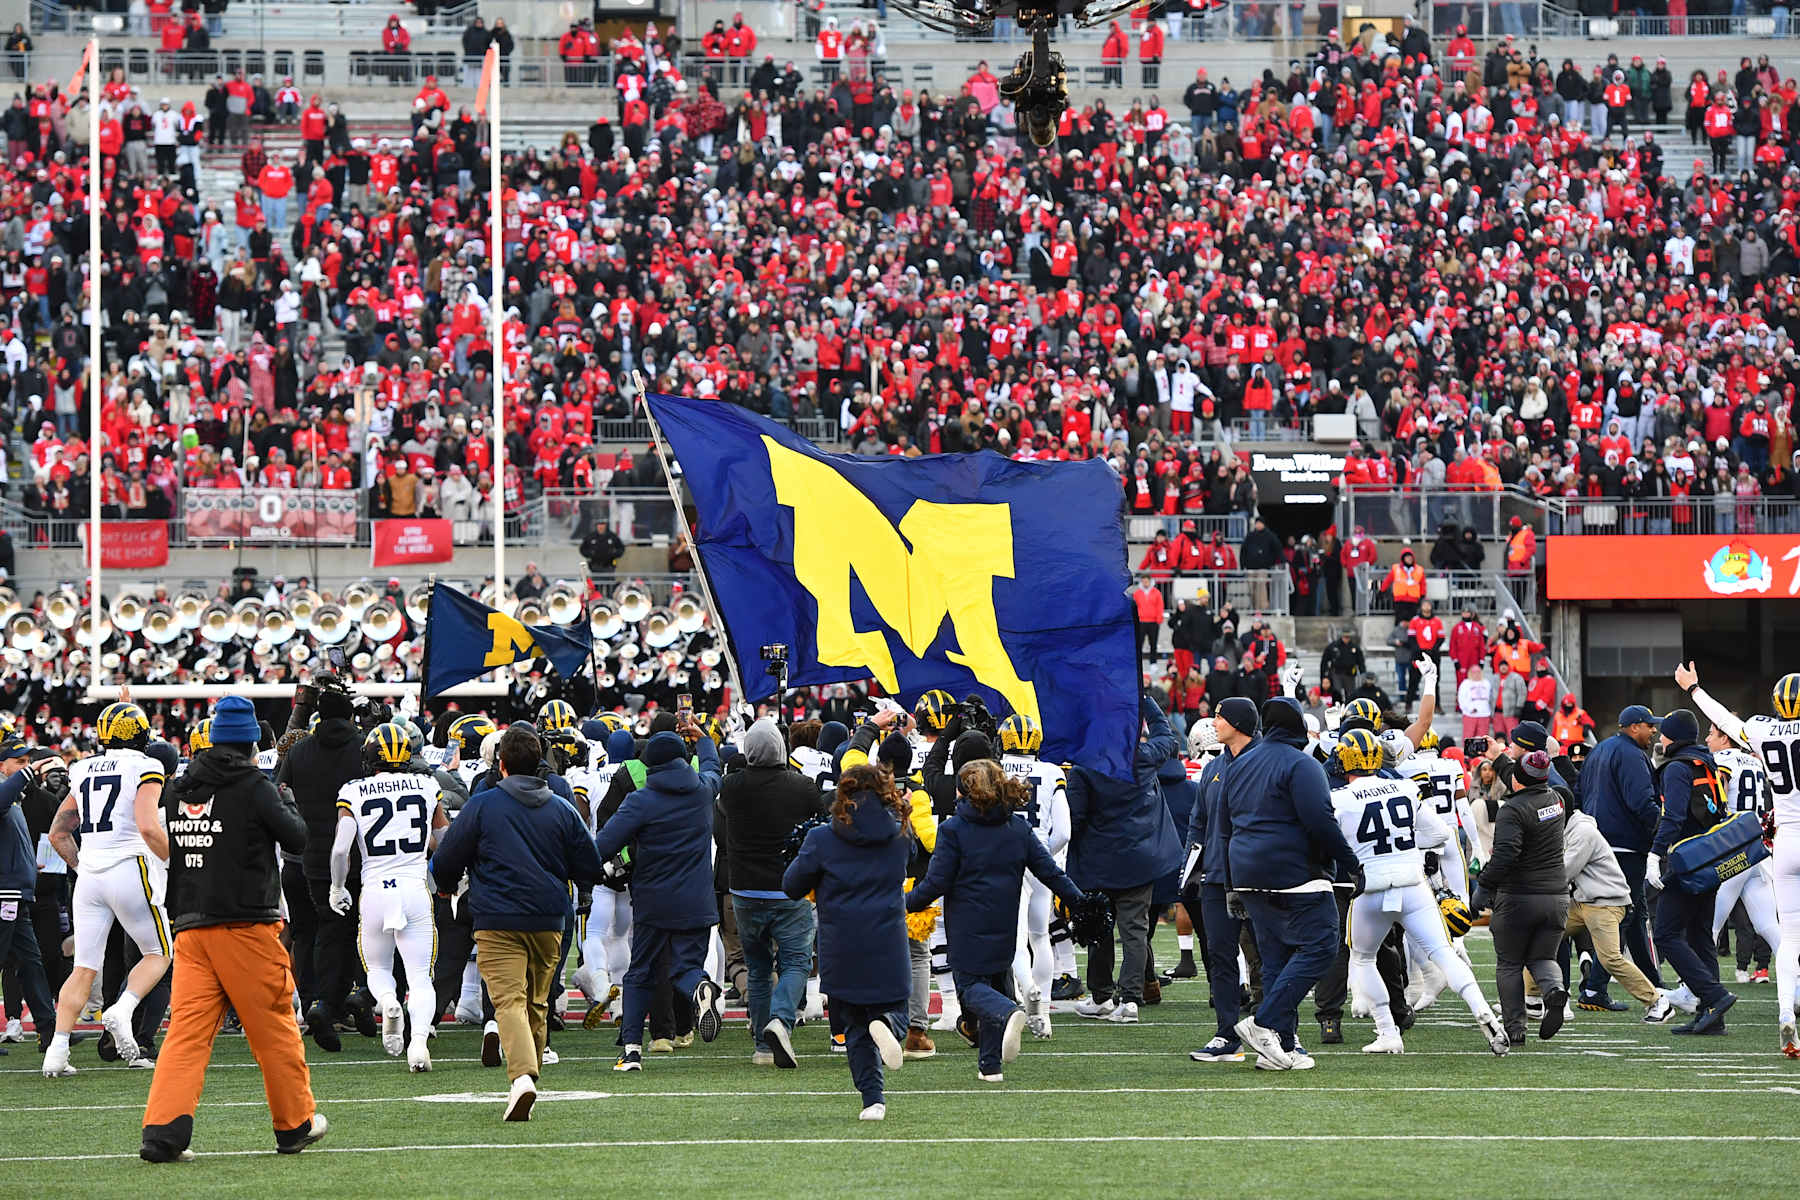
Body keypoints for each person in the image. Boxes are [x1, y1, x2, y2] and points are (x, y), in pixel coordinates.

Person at [141, 695, 324, 1162]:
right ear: (250, 743)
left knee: (185, 1034)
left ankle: (162, 1131)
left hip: (191, 926)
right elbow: (297, 838)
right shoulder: (254, 785)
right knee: (274, 1029)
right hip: (245, 926)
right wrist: (284, 797)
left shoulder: (180, 789)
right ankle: (294, 1123)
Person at [430, 725, 607, 1120]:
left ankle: (523, 1076)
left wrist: (446, 887)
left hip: (498, 917)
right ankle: (531, 1070)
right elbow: (590, 863)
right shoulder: (561, 807)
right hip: (548, 917)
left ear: (502, 765)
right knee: (537, 1002)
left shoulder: (484, 804)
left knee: (508, 1000)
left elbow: (446, 859)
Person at [906, 757, 1088, 1083]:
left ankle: (1008, 1012)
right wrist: (1081, 901)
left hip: (966, 924)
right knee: (992, 981)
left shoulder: (953, 830)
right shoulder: (1017, 828)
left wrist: (903, 904)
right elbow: (1049, 871)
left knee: (971, 988)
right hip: (1006, 921)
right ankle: (990, 1066)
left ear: (964, 793)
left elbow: (936, 883)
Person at [1327, 729, 1508, 1055]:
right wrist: (1407, 848)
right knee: (1443, 952)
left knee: (1363, 958)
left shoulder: (1338, 799)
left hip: (1371, 888)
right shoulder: (1404, 788)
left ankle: (1387, 1031)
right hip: (1412, 883)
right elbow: (1439, 833)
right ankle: (1482, 1009)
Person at [1218, 695, 1363, 1071]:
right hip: (1294, 873)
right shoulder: (1303, 765)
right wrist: (1350, 864)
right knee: (1321, 946)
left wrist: (1233, 883)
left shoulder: (1238, 764)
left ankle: (1282, 1045)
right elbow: (1320, 822)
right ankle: (1264, 1022)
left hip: (1247, 873)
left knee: (1277, 960)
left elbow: (1224, 828)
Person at [42, 702, 170, 1075]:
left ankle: (57, 1051)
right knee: (159, 952)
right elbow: (147, 826)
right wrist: (170, 861)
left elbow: (58, 832)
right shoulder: (147, 765)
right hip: (130, 866)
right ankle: (123, 1009)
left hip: (91, 875)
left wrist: (84, 866)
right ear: (142, 734)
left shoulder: (81, 768)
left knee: (83, 967)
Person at [1678, 665, 1800, 1053]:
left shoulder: (1762, 731)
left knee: (1788, 937)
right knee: (1774, 928)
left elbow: (1723, 718)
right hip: (1770, 845)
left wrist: (1694, 688)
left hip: (1780, 843)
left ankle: (1785, 1015)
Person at [593, 714, 725, 1073]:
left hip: (653, 899)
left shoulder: (642, 800)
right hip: (698, 900)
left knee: (640, 973)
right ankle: (701, 988)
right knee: (686, 969)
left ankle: (632, 1050)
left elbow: (603, 844)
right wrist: (703, 738)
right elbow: (714, 766)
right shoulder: (701, 790)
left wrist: (574, 864)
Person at [783, 758, 911, 1119]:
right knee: (895, 1007)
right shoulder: (901, 833)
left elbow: (791, 886)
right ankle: (887, 1026)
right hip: (887, 937)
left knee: (853, 1025)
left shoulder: (821, 838)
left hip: (841, 944)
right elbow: (914, 860)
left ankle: (873, 1100)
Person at [328, 723, 448, 1073]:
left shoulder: (354, 791)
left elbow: (340, 848)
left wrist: (337, 886)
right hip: (414, 887)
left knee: (378, 969)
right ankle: (420, 1043)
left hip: (376, 889)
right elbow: (443, 838)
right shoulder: (427, 785)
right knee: (421, 976)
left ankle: (387, 1002)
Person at [1064, 694, 1183, 1023]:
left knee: (1099, 929)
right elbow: (1167, 736)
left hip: (1099, 861)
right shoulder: (1141, 756)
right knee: (1135, 931)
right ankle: (1129, 1000)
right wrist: (1144, 700)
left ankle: (1102, 996)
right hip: (1139, 858)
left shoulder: (1085, 766)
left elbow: (1075, 819)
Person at [715, 718, 825, 1066]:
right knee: (795, 961)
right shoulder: (803, 786)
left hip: (744, 890)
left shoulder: (732, 786)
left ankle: (763, 1045)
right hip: (788, 888)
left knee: (758, 966)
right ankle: (780, 1019)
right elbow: (822, 822)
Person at [277, 681, 373, 1051]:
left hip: (308, 855)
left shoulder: (299, 750)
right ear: (350, 714)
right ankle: (333, 1004)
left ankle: (316, 999)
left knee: (307, 934)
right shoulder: (363, 747)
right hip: (355, 857)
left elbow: (280, 790)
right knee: (344, 934)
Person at [1646, 708, 1736, 1035]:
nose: (1659, 737)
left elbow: (1673, 817)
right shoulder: (1706, 762)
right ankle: (1712, 1016)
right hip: (1710, 858)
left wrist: (1655, 855)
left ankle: (1714, 995)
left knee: (1667, 934)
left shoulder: (1677, 767)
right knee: (1700, 936)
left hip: (1686, 860)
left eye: (1664, 733)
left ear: (1676, 736)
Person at [1472, 748, 1569, 1046]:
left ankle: (1516, 1028)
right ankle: (1553, 991)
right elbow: (1529, 779)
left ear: (1518, 779)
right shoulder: (1556, 800)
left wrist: (1483, 887)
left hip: (1519, 896)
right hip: (1556, 896)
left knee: (1510, 963)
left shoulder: (1513, 809)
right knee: (1542, 957)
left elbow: (1506, 855)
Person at [1573, 705, 1666, 1011]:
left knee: (1635, 915)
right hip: (1624, 847)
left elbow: (1579, 794)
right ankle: (1594, 987)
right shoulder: (1629, 754)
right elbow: (1642, 801)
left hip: (1598, 844)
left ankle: (1653, 981)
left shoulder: (1600, 750)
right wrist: (1663, 833)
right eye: (1649, 726)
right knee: (1623, 916)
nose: (1653, 731)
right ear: (1634, 726)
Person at [1562, 784, 1671, 1023]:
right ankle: (1531, 997)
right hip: (1583, 900)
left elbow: (1563, 871)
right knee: (1543, 934)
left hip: (1605, 902)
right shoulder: (1567, 828)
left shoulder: (1582, 832)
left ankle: (1657, 1001)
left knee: (1611, 958)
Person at [1185, 701, 1256, 1063]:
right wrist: (1191, 865)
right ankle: (1227, 1032)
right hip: (1215, 876)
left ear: (1239, 723)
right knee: (1220, 956)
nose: (1213, 722)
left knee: (1267, 955)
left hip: (1257, 876)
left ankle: (1278, 1030)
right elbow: (1198, 822)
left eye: (1220, 716)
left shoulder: (1263, 761)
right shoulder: (1212, 768)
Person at [998, 713, 1068, 1038]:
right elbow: (1064, 832)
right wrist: (1044, 858)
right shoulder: (1052, 772)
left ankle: (1028, 994)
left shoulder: (994, 769)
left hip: (1005, 858)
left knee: (1014, 939)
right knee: (1041, 936)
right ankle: (1046, 1008)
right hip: (1041, 858)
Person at [0, 735, 58, 1057]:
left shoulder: (14, 798)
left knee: (32, 963)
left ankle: (49, 1032)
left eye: (26, 761)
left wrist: (26, 866)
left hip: (15, 894)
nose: (25, 767)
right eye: (18, 762)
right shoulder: (6, 791)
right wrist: (28, 772)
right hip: (4, 894)